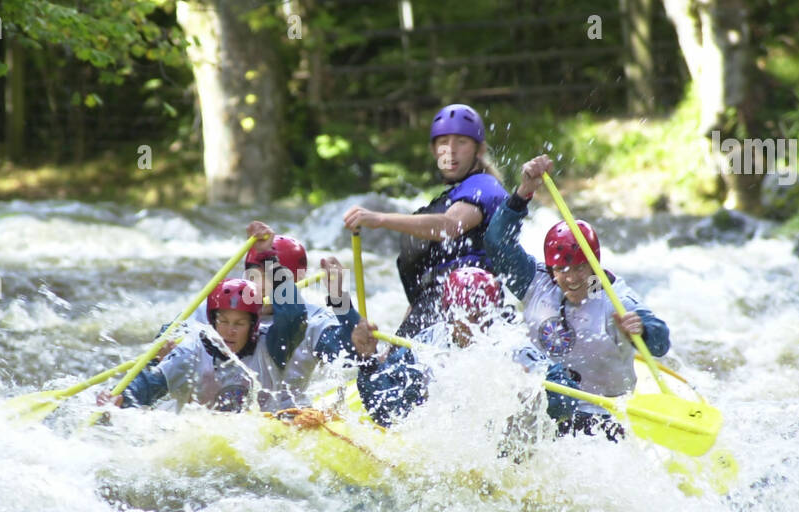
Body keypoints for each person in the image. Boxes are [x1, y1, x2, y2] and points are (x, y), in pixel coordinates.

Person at [485, 156, 670, 439]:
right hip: (542, 408)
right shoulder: (537, 282)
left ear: (594, 263)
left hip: (602, 416)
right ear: (551, 267)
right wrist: (523, 193)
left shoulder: (616, 299)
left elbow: (660, 343)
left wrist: (642, 330)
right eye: (561, 269)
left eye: (581, 267)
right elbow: (497, 244)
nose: (571, 278)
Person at [341, 104, 509, 338]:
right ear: (434, 151)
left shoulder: (485, 186)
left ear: (479, 150)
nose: (450, 151)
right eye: (443, 143)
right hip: (434, 306)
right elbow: (424, 294)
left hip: (468, 306)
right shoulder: (450, 197)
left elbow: (450, 226)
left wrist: (380, 219)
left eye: (461, 142)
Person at [348, 266, 578, 430]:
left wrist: (533, 389)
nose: (475, 323)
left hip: (504, 450)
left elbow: (567, 403)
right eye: (467, 315)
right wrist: (367, 362)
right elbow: (387, 411)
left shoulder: (514, 346)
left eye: (483, 315)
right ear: (449, 312)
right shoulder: (428, 344)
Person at [101, 278, 306, 412]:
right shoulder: (192, 350)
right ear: (213, 321)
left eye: (239, 324)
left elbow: (294, 317)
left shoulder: (270, 348)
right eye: (224, 322)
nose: (229, 331)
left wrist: (271, 263)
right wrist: (120, 399)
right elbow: (149, 382)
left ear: (253, 326)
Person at [243, 221, 362, 393]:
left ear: (294, 283)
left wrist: (340, 300)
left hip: (286, 412)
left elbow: (353, 354)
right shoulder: (225, 308)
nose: (255, 285)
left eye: (268, 277)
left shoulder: (313, 322)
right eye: (251, 274)